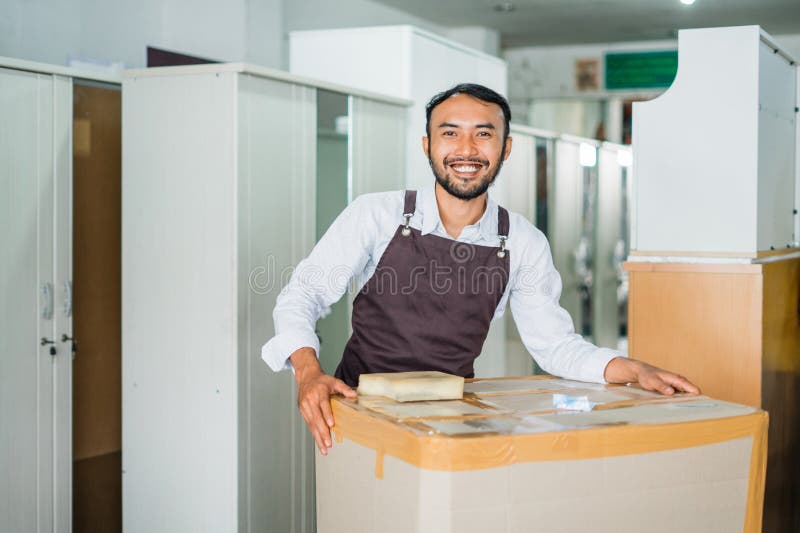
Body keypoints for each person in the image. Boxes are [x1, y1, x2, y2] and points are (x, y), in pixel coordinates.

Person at [262, 83, 700, 456]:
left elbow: (555, 346)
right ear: (428, 144)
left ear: (506, 146)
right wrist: (307, 371)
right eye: (449, 133)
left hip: (453, 418)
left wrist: (635, 370)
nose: (466, 150)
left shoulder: (524, 242)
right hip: (357, 412)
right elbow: (303, 295)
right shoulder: (376, 215)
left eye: (483, 135)